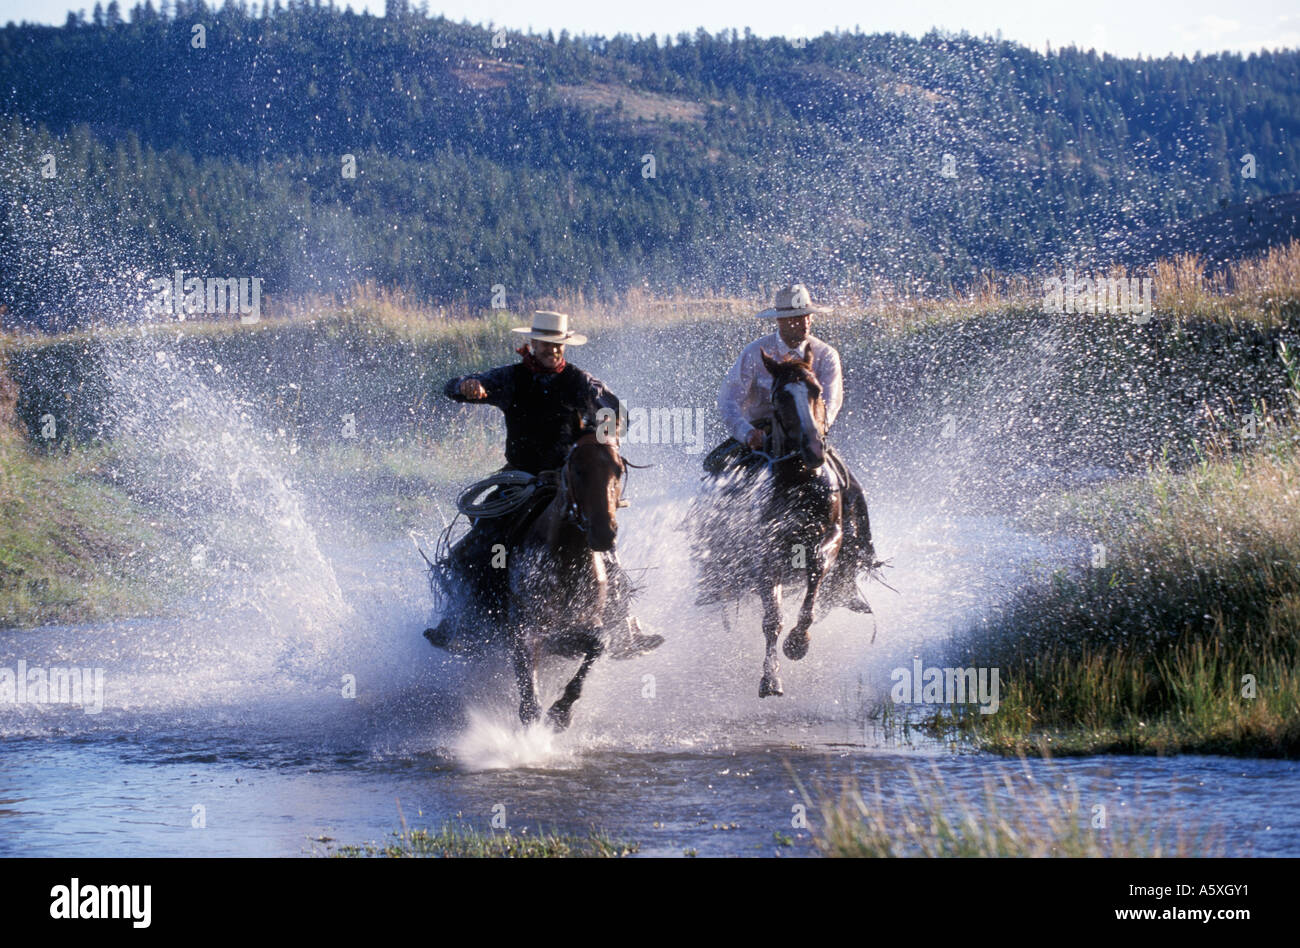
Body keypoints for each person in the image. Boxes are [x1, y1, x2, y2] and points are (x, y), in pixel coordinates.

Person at [424, 310, 662, 656]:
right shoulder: (510, 378)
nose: (550, 350)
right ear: (531, 344)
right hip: (520, 480)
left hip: (571, 481)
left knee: (603, 541)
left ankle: (624, 626)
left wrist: (597, 444)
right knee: (482, 544)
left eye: (555, 344)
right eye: (544, 344)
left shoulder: (581, 382)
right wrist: (465, 386)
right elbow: (454, 386)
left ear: (562, 346)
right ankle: (461, 621)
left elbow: (618, 415)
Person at [697, 283, 876, 606]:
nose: (802, 323)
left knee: (853, 490)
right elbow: (728, 400)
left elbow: (832, 402)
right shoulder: (755, 354)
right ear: (779, 321)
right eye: (794, 318)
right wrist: (745, 432)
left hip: (809, 433)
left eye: (805, 316)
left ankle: (852, 572)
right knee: (714, 481)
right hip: (761, 435)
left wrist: (815, 428)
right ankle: (715, 574)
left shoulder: (826, 355)